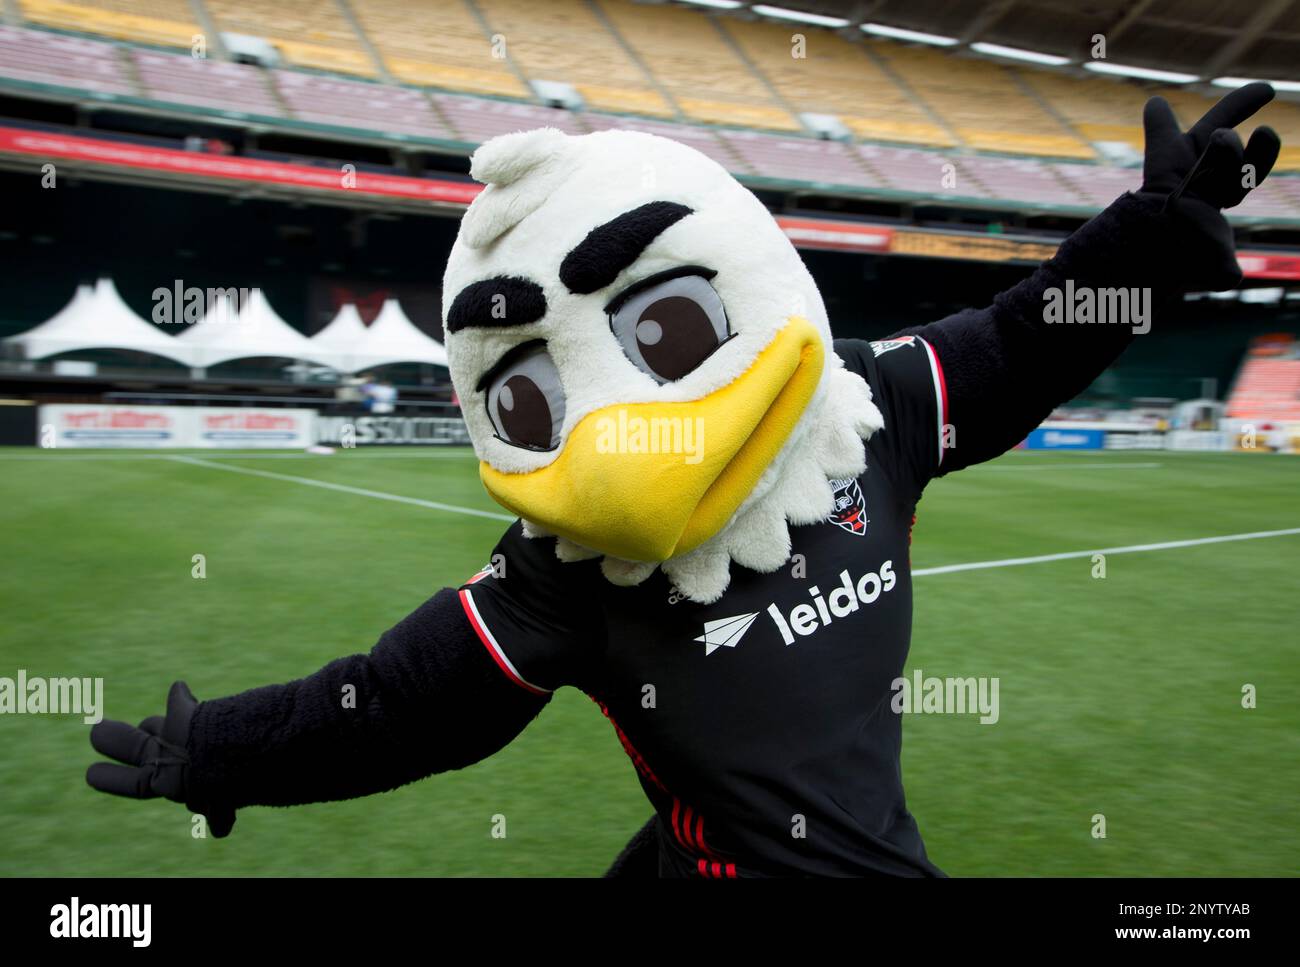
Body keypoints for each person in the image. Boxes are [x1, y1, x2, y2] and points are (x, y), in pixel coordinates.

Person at [87, 85, 1280, 876]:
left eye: (663, 330)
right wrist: (230, 749)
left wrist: (1143, 239)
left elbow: (1026, 339)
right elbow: (398, 706)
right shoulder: (569, 571)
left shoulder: (859, 407)